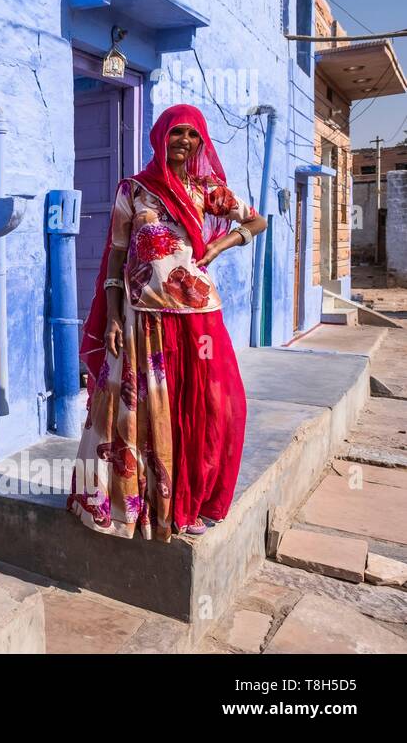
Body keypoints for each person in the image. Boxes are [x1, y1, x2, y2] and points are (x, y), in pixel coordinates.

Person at [68, 104, 265, 541]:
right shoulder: (134, 190)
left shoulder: (207, 189)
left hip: (199, 315)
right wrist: (115, 316)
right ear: (160, 136)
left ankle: (191, 499)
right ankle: (147, 506)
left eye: (193, 136)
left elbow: (257, 220)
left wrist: (220, 247)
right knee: (147, 411)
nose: (185, 142)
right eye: (177, 133)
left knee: (215, 403)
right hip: (144, 315)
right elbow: (118, 254)